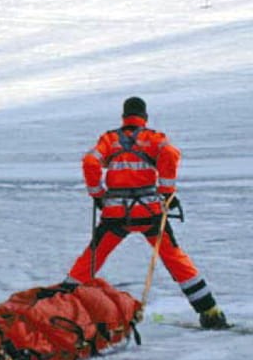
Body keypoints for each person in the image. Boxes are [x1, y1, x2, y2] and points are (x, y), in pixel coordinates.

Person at [63, 96, 228, 329]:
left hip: (116, 214)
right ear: (144, 118)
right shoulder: (153, 138)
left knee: (92, 258)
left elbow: (90, 161)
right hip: (149, 212)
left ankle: (61, 304)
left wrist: (98, 194)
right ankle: (210, 311)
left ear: (124, 117)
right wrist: (167, 191)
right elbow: (170, 154)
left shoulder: (109, 139)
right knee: (175, 259)